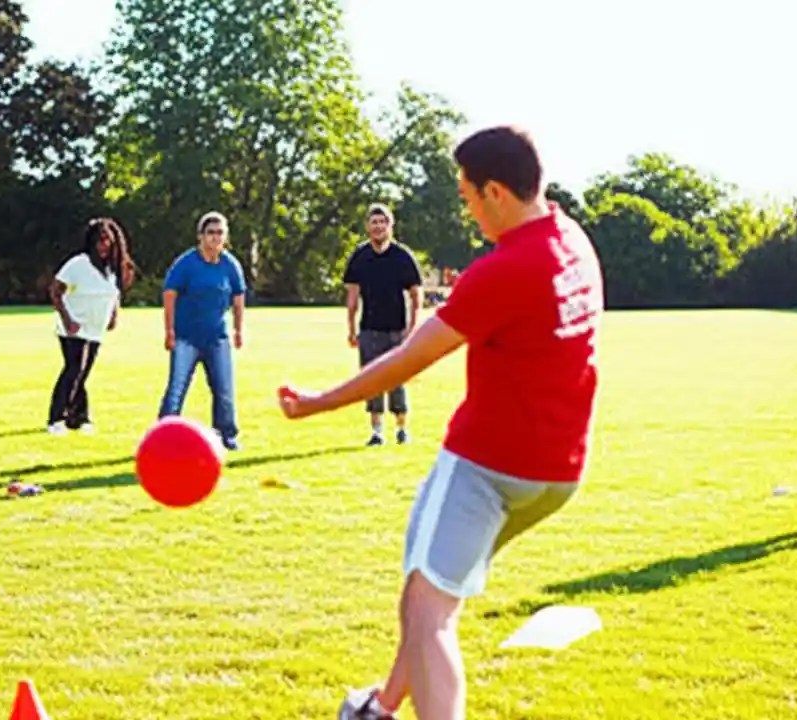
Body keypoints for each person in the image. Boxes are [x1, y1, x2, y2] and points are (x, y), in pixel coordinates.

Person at [278, 126, 604, 720]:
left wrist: (318, 402)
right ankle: (380, 706)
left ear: (497, 192)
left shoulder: (504, 271)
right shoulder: (573, 243)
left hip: (487, 468)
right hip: (556, 474)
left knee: (427, 611)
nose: (468, 208)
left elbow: (408, 359)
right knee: (433, 593)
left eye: (468, 196)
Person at [158, 211, 246, 450]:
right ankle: (163, 435)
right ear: (201, 236)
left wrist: (239, 330)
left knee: (224, 389)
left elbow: (238, 298)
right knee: (176, 388)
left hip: (217, 338)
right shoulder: (187, 263)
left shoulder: (230, 264)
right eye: (210, 232)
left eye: (220, 233)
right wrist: (169, 331)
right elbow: (169, 294)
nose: (215, 237)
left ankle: (226, 435)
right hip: (186, 337)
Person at [343, 204, 423, 446]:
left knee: (397, 379)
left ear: (391, 225)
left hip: (397, 328)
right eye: (374, 222)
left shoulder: (402, 257)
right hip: (369, 328)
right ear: (368, 226)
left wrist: (412, 329)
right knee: (371, 380)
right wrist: (351, 328)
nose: (378, 227)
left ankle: (401, 429)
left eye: (383, 222)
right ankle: (377, 432)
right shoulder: (360, 257)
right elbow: (352, 297)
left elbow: (416, 294)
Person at [47, 217, 135, 435]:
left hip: (96, 330)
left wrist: (114, 315)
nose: (104, 245)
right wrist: (68, 320)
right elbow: (55, 291)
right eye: (100, 240)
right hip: (74, 328)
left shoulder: (112, 269)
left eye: (108, 241)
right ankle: (56, 418)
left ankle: (79, 417)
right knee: (74, 370)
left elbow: (113, 295)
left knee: (82, 373)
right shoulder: (79, 264)